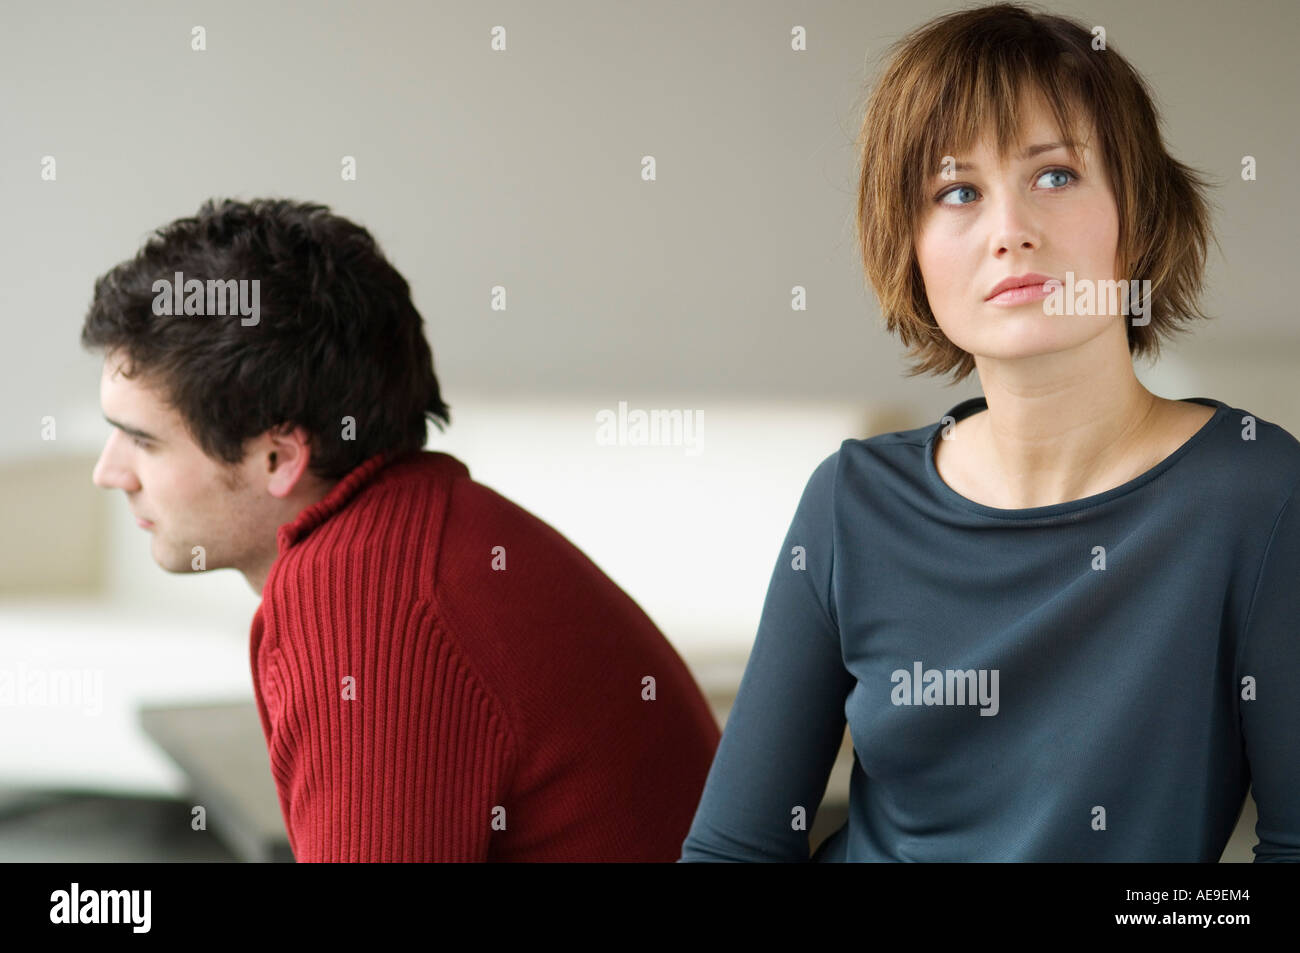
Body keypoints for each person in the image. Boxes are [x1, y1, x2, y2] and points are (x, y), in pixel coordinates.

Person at [680, 3, 1300, 862]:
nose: (1010, 230)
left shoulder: (1256, 491)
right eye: (957, 192)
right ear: (911, 248)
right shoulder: (849, 500)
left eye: (1054, 175)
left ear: (1139, 205)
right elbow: (733, 851)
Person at [83, 197, 720, 862]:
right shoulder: (432, 526)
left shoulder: (363, 594)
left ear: (279, 457)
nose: (109, 471)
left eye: (142, 440)